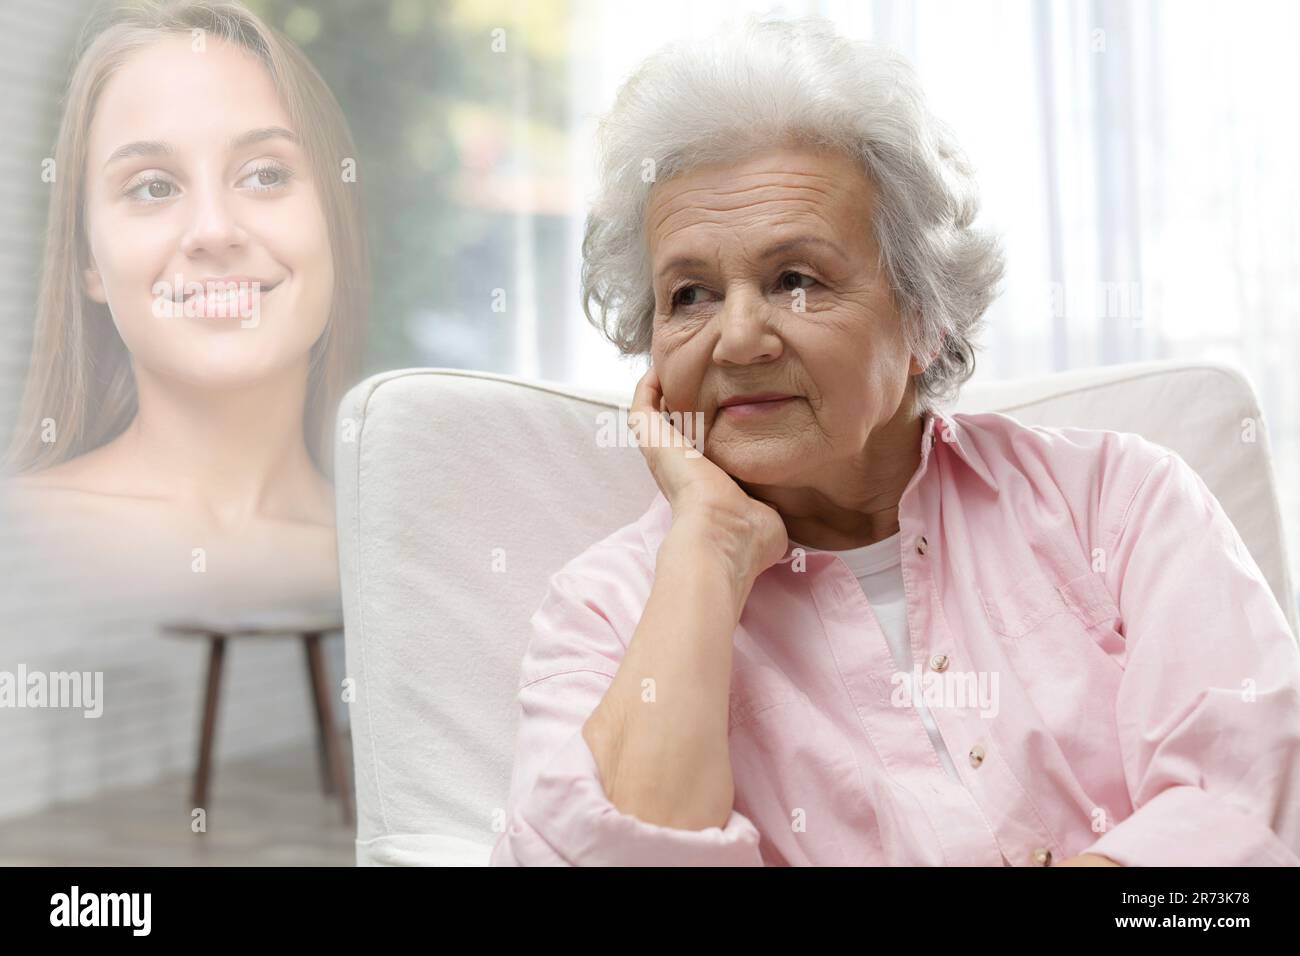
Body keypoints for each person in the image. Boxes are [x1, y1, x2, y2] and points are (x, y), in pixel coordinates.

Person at [490, 18, 1300, 866]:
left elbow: (1248, 816)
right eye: (688, 294)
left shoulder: (1116, 505)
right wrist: (707, 550)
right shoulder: (603, 614)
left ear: (924, 312)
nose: (736, 339)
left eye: (795, 281)